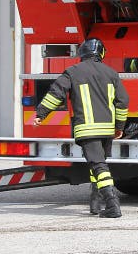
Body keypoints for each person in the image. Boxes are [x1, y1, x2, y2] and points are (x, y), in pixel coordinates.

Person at [34, 38, 129, 218]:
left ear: (82, 53)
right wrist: (119, 126)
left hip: (87, 130)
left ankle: (112, 204)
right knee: (98, 164)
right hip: (107, 130)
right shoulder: (111, 73)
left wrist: (41, 113)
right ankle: (96, 202)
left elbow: (56, 93)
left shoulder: (72, 72)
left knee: (98, 166)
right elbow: (123, 102)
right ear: (101, 53)